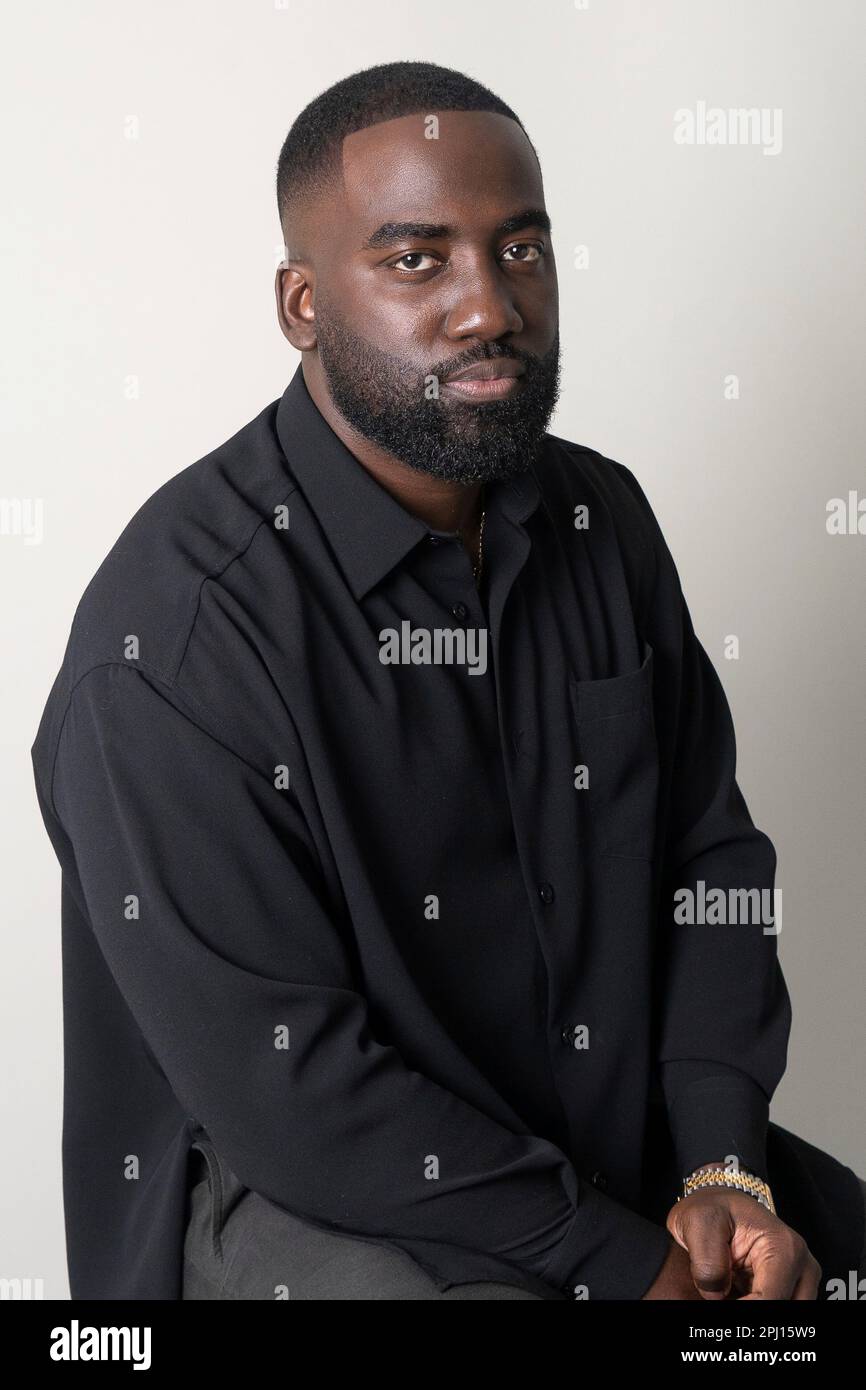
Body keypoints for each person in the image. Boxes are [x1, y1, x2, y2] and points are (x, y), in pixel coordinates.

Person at [31, 60, 864, 1301]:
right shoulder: (169, 650)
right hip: (317, 1202)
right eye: (417, 259)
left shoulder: (599, 519)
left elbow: (709, 860)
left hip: (607, 1142)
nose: (489, 307)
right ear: (302, 302)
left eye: (519, 248)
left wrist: (720, 1168)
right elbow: (294, 1091)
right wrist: (618, 1265)